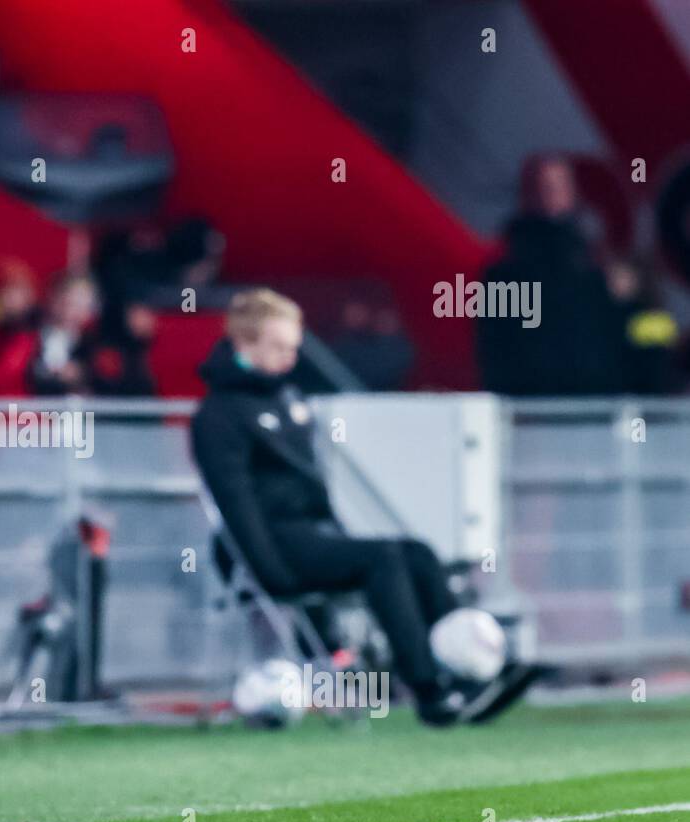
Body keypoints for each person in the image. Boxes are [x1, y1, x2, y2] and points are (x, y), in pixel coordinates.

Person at [190, 288, 543, 726]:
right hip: (274, 546)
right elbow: (237, 504)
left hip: (314, 534)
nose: (289, 357)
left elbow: (313, 488)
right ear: (244, 344)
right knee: (384, 559)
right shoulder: (219, 416)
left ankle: (471, 668)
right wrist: (271, 572)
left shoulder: (288, 398)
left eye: (293, 348)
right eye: (278, 347)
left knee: (417, 552)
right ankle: (430, 692)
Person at [479, 155, 623, 395]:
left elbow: (622, 337)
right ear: (526, 195)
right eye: (543, 187)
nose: (550, 195)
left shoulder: (597, 271)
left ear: (573, 193)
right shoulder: (503, 275)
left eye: (558, 187)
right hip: (528, 409)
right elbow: (492, 347)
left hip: (595, 406)